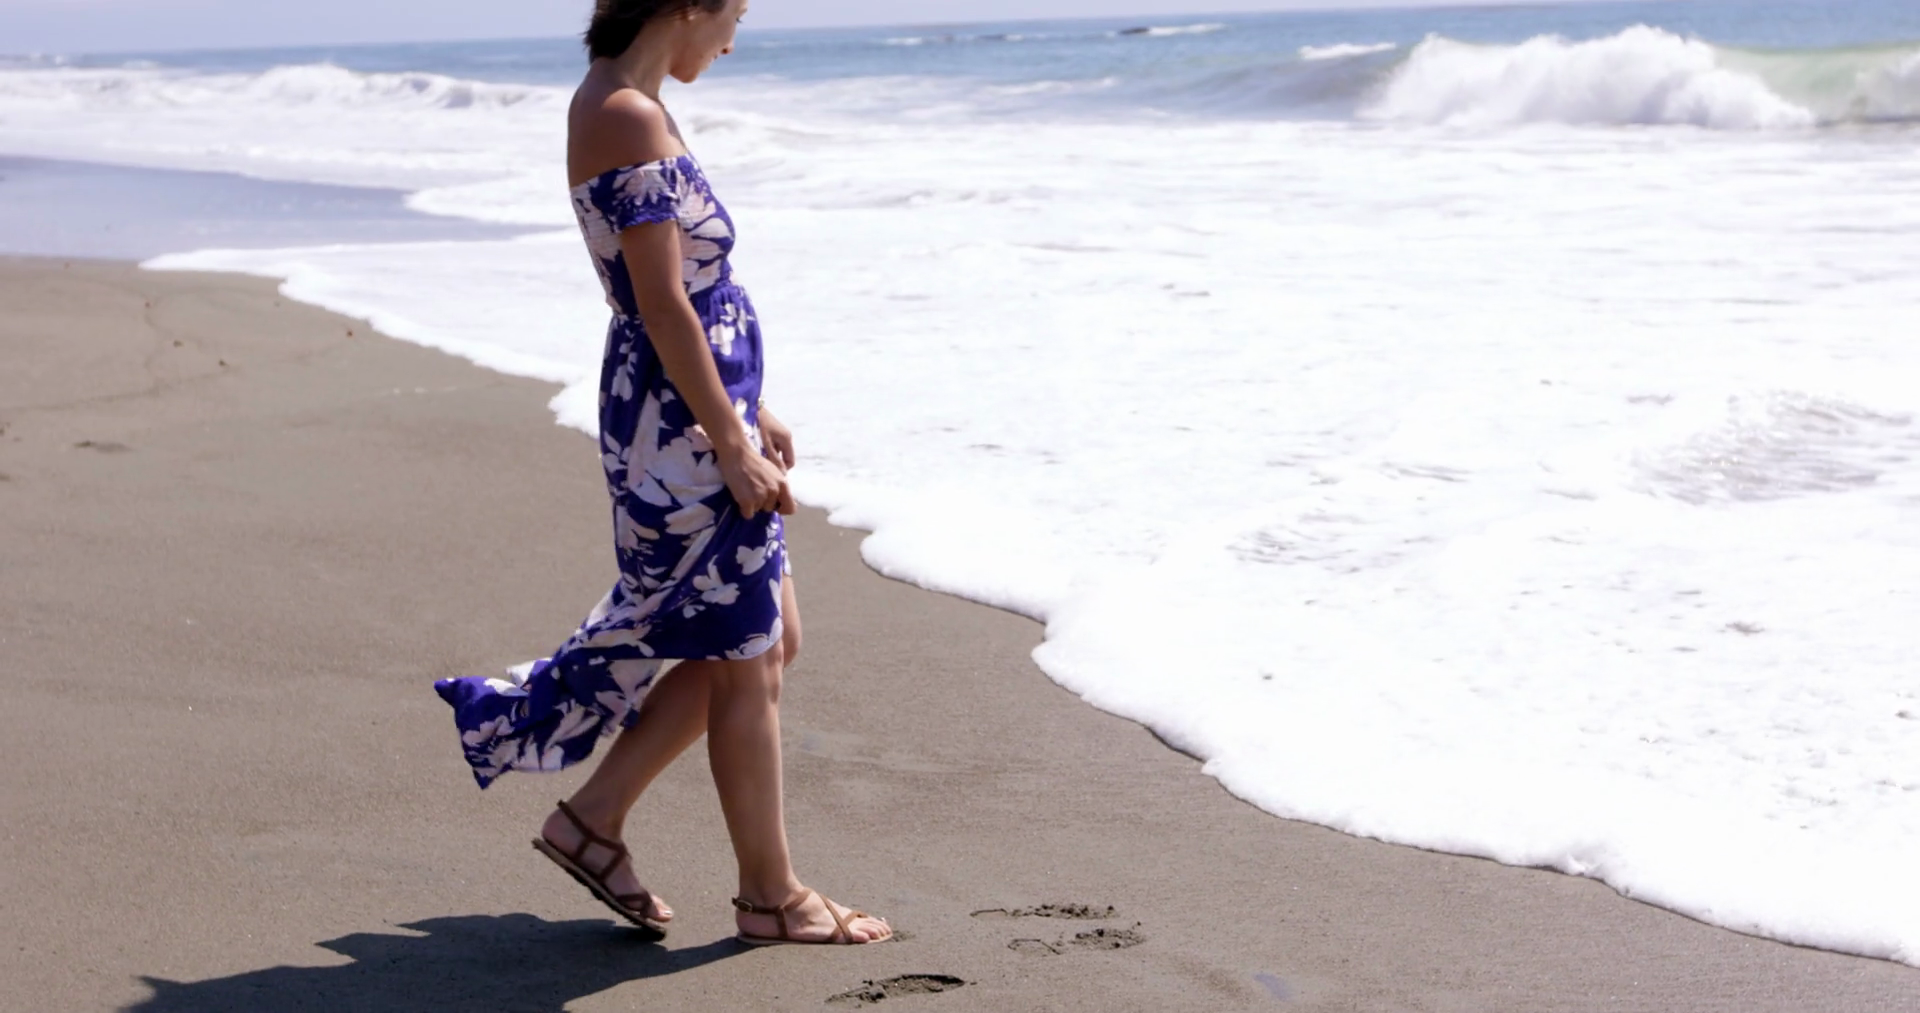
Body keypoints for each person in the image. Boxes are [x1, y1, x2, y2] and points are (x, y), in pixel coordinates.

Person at [434, 0, 892, 948]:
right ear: (690, 2)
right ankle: (772, 895)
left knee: (768, 641)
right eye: (733, 14)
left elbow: (681, 300)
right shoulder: (625, 115)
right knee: (748, 656)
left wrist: (746, 403)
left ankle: (595, 818)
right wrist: (727, 435)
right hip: (679, 432)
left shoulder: (630, 102)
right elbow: (660, 301)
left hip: (688, 409)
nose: (733, 38)